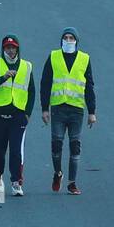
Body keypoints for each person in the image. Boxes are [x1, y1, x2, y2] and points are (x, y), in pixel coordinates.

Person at [40, 27, 96, 195]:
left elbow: (89, 87)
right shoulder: (54, 56)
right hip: (58, 108)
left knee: (75, 145)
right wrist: (44, 109)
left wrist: (92, 112)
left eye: (72, 38)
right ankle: (58, 173)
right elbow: (45, 83)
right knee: (56, 144)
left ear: (76, 41)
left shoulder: (85, 59)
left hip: (77, 110)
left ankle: (72, 182)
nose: (69, 40)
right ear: (62, 40)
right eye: (66, 37)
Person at [0, 34, 35, 197]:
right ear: (3, 49)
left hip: (18, 116)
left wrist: (27, 113)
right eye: (7, 47)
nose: (10, 50)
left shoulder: (26, 66)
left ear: (17, 49)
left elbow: (31, 91)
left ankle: (16, 182)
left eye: (13, 48)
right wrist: (3, 77)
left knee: (16, 151)